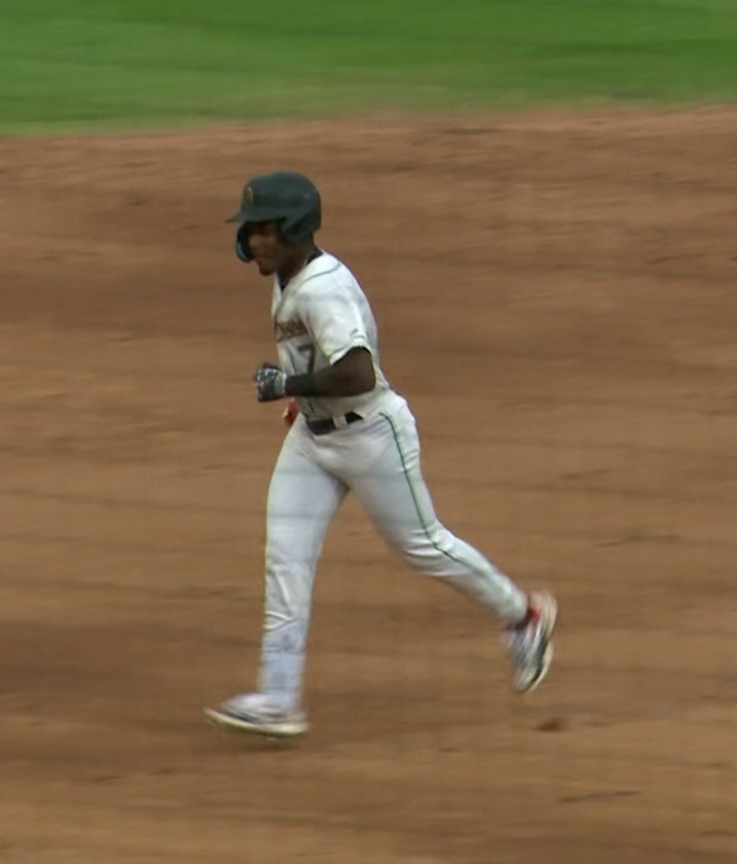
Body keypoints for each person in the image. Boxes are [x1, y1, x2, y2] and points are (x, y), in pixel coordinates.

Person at [205, 171, 557, 739]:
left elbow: (357, 372)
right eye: (250, 229)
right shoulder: (287, 273)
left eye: (263, 229)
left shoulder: (322, 288)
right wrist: (301, 400)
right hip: (314, 441)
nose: (252, 241)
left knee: (423, 547)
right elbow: (317, 359)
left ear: (293, 229)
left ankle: (525, 617)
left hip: (371, 436)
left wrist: (288, 387)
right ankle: (277, 697)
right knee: (286, 558)